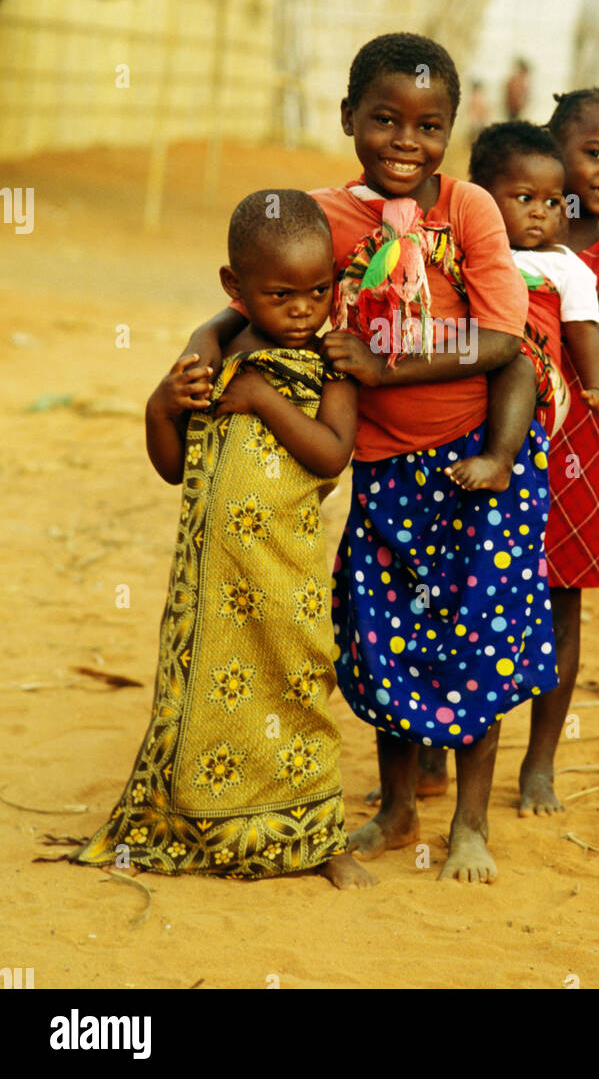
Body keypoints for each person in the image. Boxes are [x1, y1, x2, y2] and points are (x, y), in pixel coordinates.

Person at [182, 33, 558, 884]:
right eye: (384, 119)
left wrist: (391, 368)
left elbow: (501, 338)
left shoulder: (469, 212)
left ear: (453, 131)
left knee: (479, 640)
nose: (405, 141)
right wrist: (204, 344)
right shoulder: (326, 215)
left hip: (475, 459)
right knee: (385, 639)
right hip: (387, 468)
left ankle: (469, 825)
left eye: (429, 125)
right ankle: (395, 809)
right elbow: (253, 291)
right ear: (349, 116)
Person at [72, 191, 373, 888]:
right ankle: (208, 823)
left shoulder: (333, 361)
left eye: (318, 290)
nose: (303, 309)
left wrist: (264, 399)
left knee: (298, 691)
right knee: (209, 701)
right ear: (235, 288)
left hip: (286, 573)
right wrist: (160, 405)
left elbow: (332, 454)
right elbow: (175, 467)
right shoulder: (218, 354)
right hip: (212, 584)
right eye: (280, 294)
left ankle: (321, 839)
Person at [517, 84, 599, 817]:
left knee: (559, 600)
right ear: (551, 147)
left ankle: (540, 762)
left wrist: (559, 270)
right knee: (461, 584)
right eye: (595, 152)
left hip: (571, 438)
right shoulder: (501, 223)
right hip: (493, 431)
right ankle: (434, 750)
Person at [445, 121, 599, 493]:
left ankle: (499, 460)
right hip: (479, 367)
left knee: (512, 357)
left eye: (552, 202)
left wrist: (595, 388)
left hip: (537, 383)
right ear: (481, 197)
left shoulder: (563, 265)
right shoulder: (464, 244)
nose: (540, 212)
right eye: (525, 198)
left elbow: (582, 327)